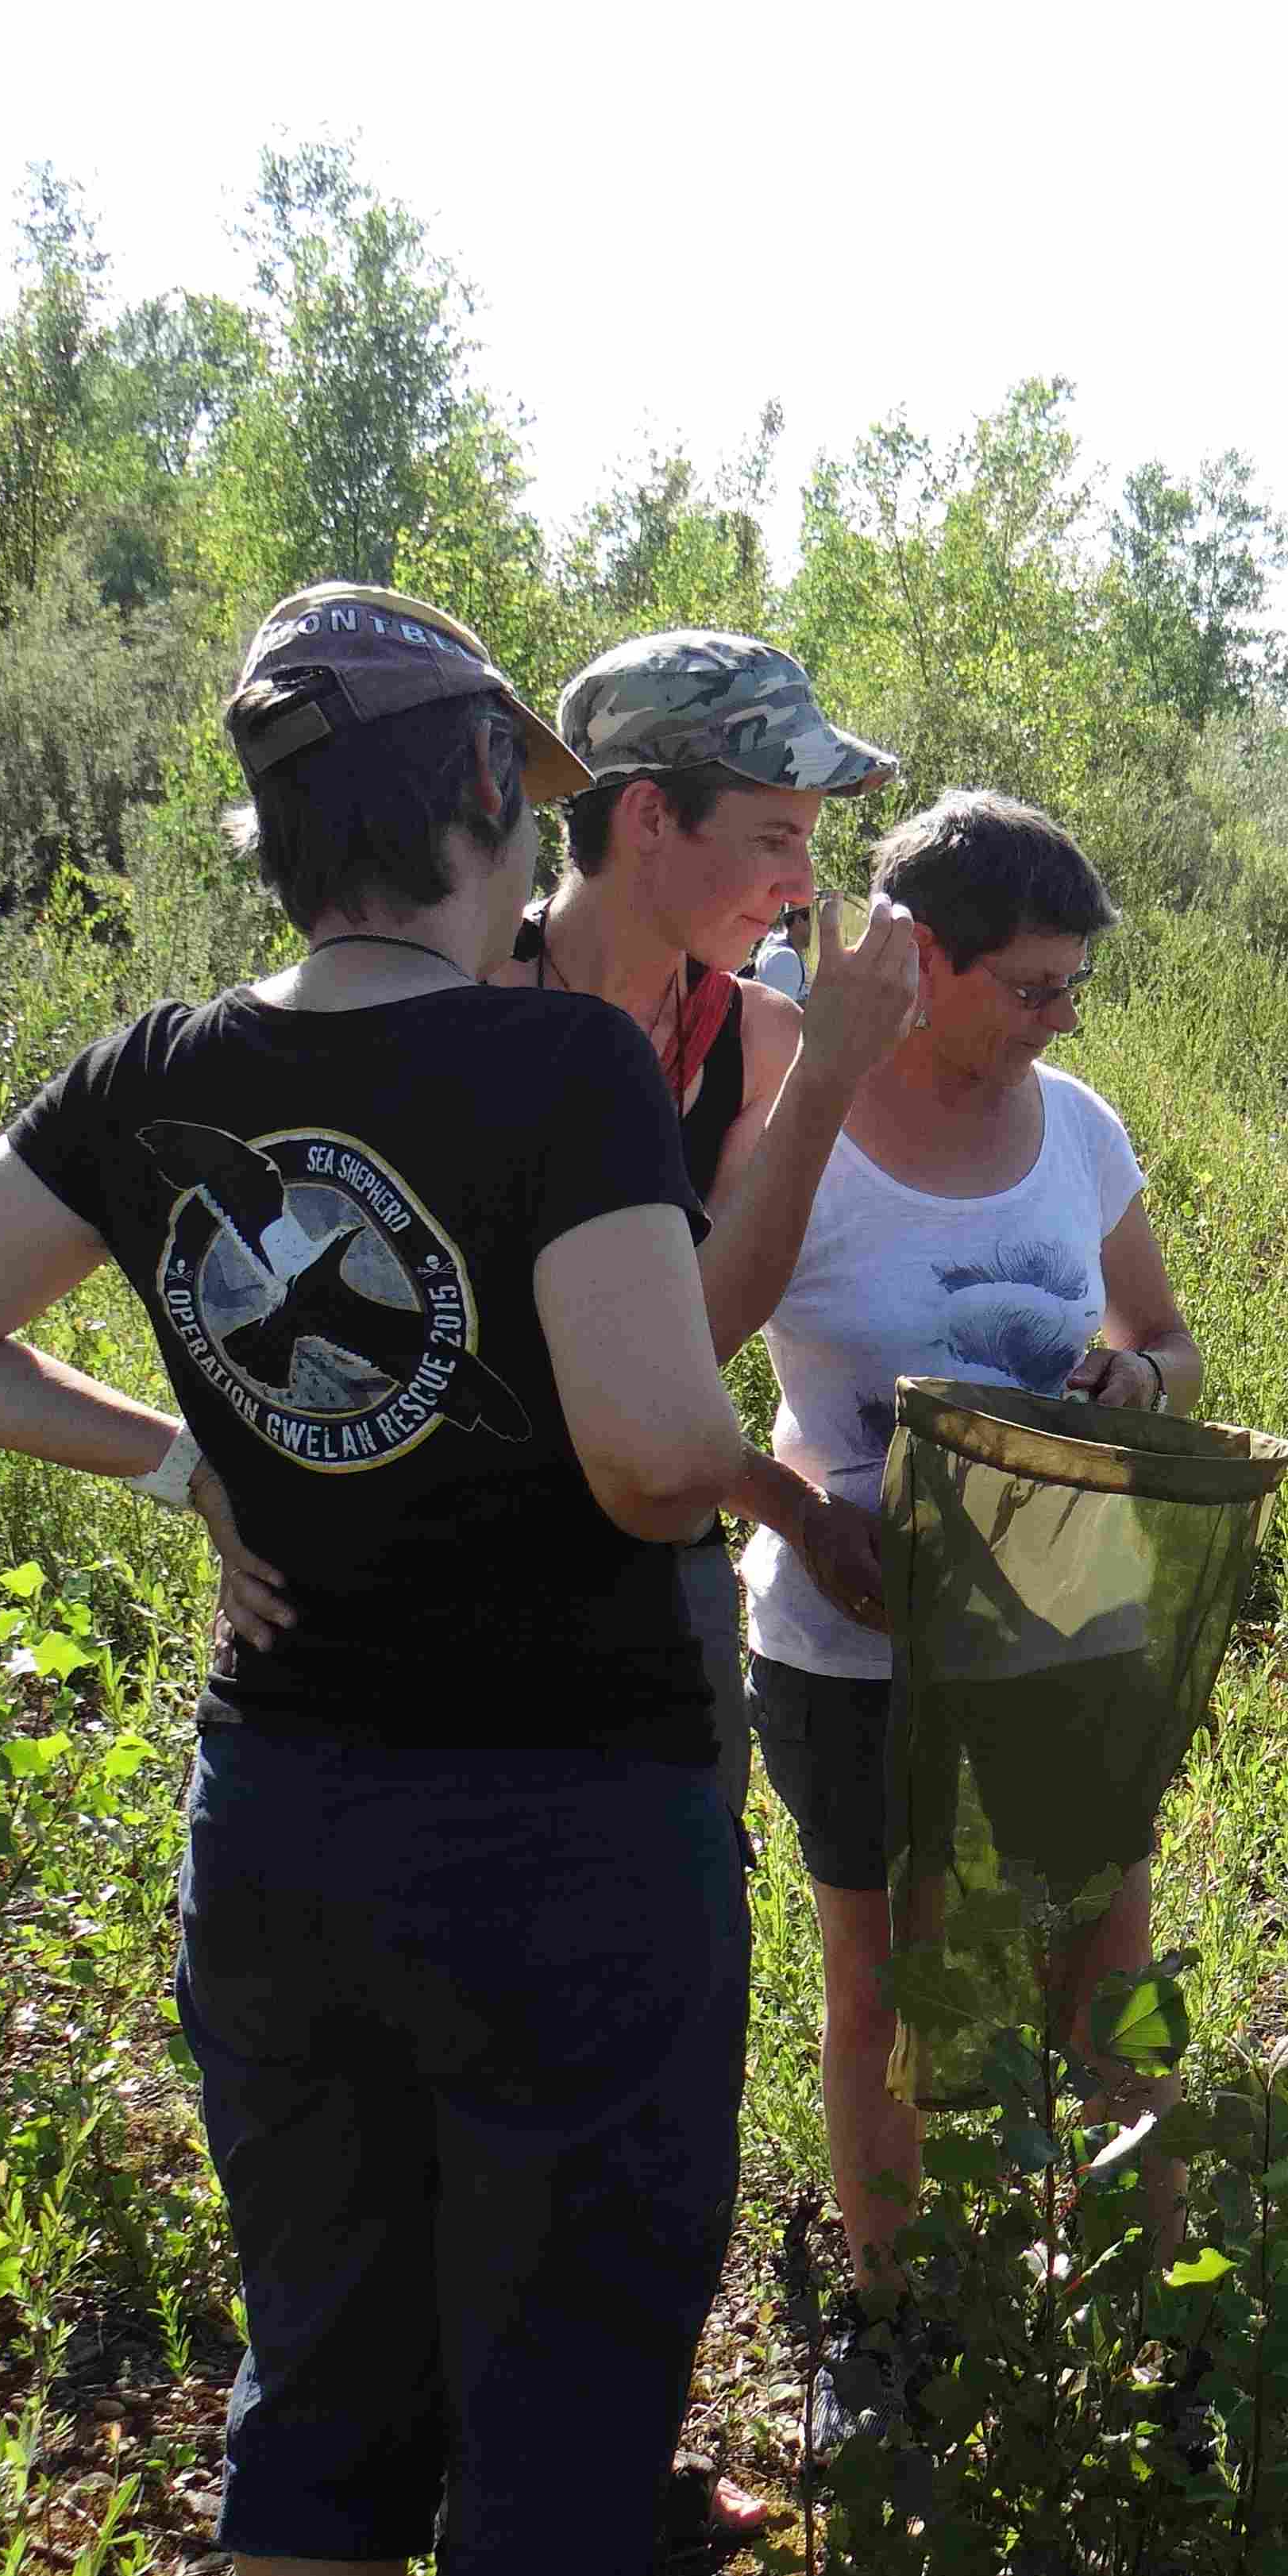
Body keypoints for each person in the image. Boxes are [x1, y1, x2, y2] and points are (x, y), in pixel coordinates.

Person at [0, 581, 838, 2576]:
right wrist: (782, 1496)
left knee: (323, 2361)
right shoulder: (555, 1061)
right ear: (487, 792)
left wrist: (174, 1458)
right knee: (560, 2384)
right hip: (568, 1835)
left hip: (282, 1821)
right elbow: (654, 1449)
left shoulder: (165, 1069)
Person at [734, 787, 1205, 2462]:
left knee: (1110, 1955)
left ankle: (1163, 2292)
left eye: (1073, 987)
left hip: (1065, 1629)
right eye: (1027, 985)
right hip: (851, 1649)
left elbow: (1166, 1341)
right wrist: (800, 1505)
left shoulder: (1073, 1124)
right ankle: (890, 2318)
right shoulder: (802, 1121)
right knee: (883, 1986)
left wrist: (1128, 1378)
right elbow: (673, 1359)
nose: (1057, 1017)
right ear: (916, 956)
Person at [467, 626, 923, 1848]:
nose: (797, 883)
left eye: (808, 845)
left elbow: (695, 1335)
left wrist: (821, 1080)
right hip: (442, 1595)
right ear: (651, 818)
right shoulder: (459, 1002)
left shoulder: (753, 1040)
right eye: (775, 837)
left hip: (644, 1588)